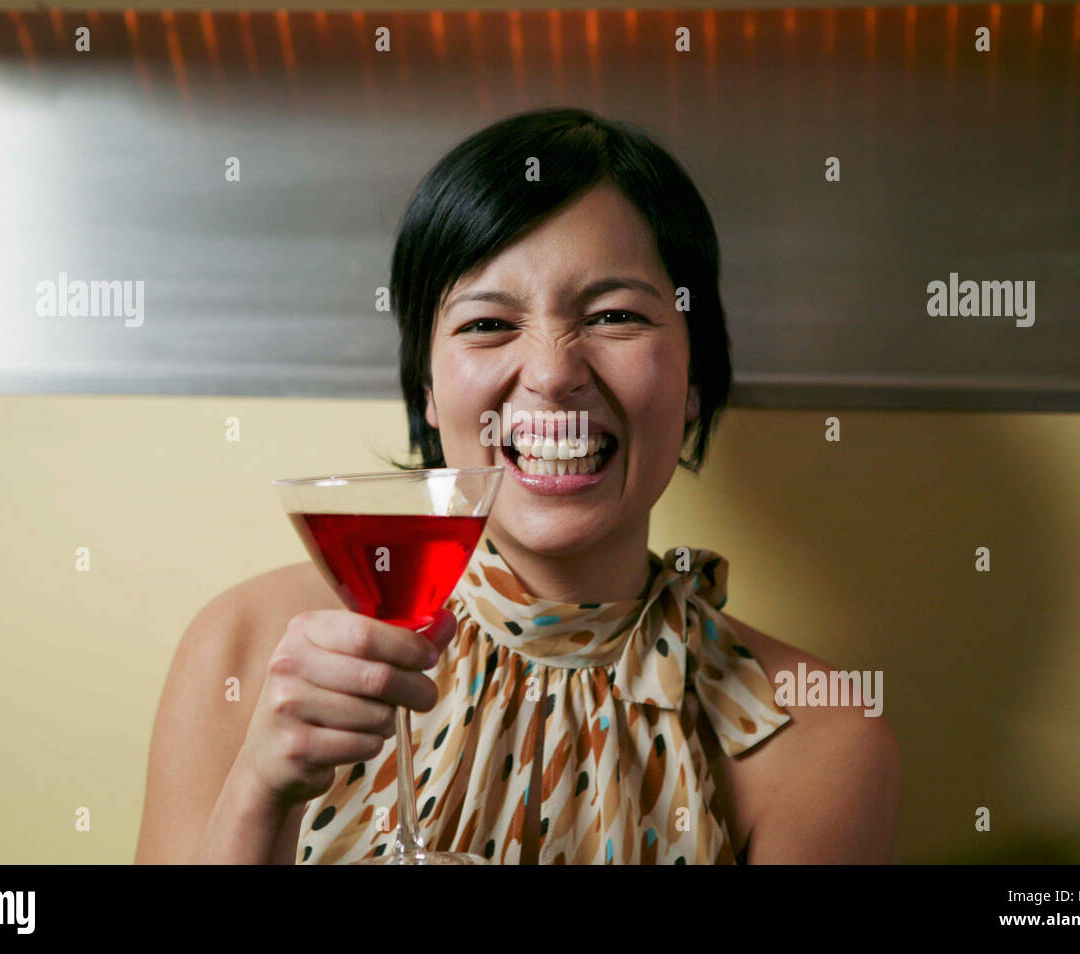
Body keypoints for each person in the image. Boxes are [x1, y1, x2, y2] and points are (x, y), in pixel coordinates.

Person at [135, 107, 900, 865]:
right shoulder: (246, 649)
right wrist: (256, 795)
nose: (552, 374)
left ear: (694, 379)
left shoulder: (820, 735)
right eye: (486, 324)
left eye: (613, 315)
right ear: (428, 390)